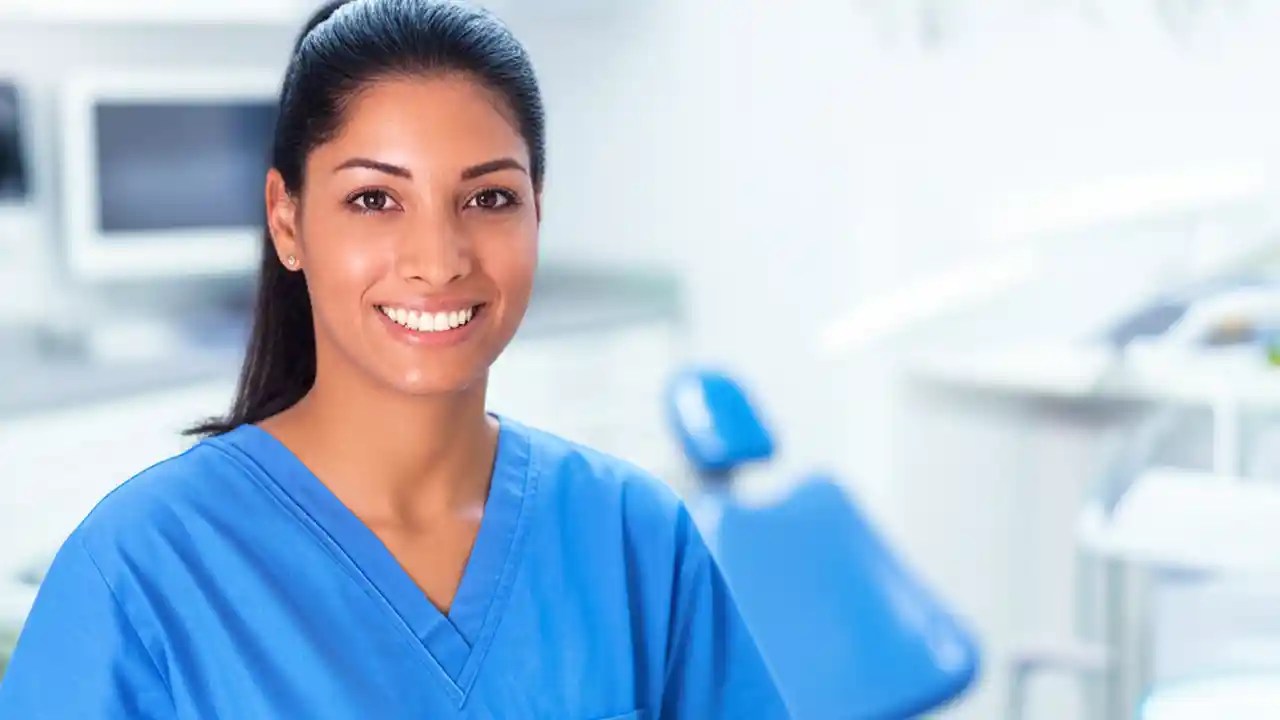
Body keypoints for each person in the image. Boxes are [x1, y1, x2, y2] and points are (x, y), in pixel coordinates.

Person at [0, 1, 790, 717]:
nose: (439, 259)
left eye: (488, 199)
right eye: (375, 200)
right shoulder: (141, 572)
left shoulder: (634, 539)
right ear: (287, 221)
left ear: (537, 212)